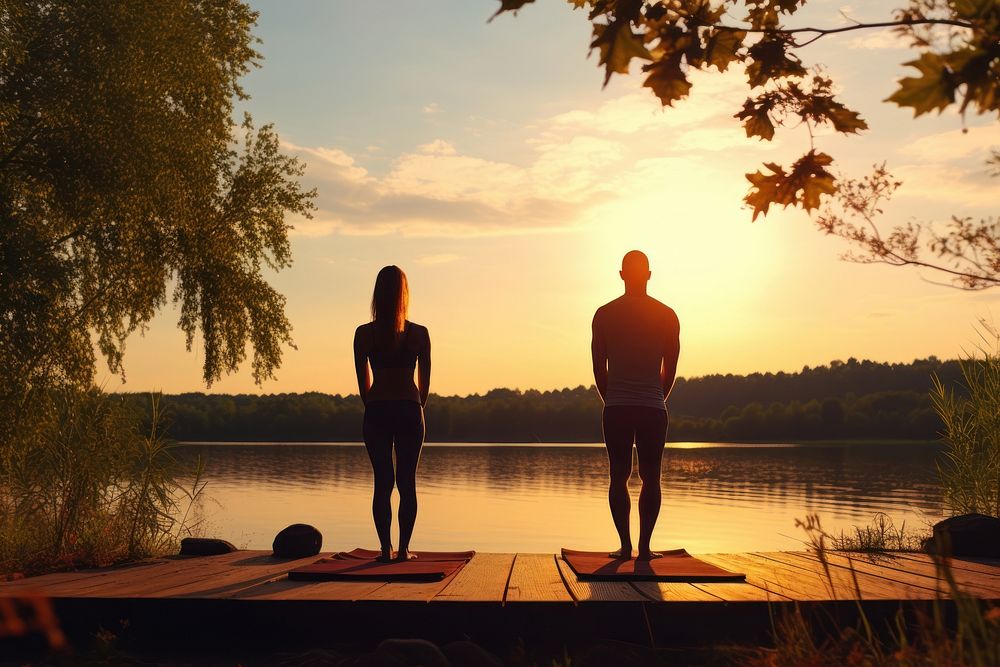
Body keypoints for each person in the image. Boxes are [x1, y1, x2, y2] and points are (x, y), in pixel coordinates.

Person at [591, 250, 680, 560]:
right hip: (653, 407)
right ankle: (644, 548)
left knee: (618, 475)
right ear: (649, 275)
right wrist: (657, 396)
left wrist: (612, 398)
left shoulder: (604, 314)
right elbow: (671, 367)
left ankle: (626, 547)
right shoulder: (667, 315)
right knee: (651, 476)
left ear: (621, 274)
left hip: (616, 406)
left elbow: (598, 367)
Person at [354, 265, 431, 562]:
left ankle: (385, 549)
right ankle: (403, 551)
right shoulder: (419, 334)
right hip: (409, 408)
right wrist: (416, 404)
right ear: (404, 294)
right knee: (407, 482)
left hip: (377, 409)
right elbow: (425, 383)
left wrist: (375, 404)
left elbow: (364, 384)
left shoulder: (363, 334)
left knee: (382, 482)